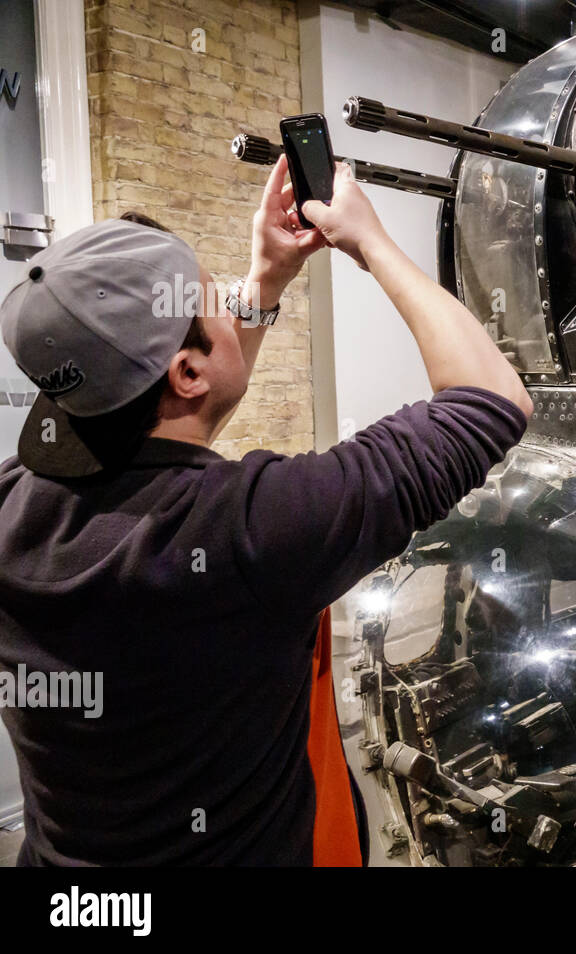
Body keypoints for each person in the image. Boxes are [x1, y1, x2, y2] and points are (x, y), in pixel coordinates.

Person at [0, 156, 532, 865]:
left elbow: (174, 424)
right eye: (212, 296)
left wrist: (265, 282)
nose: (228, 296)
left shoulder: (11, 501)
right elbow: (491, 400)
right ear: (186, 372)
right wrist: (371, 244)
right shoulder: (253, 530)